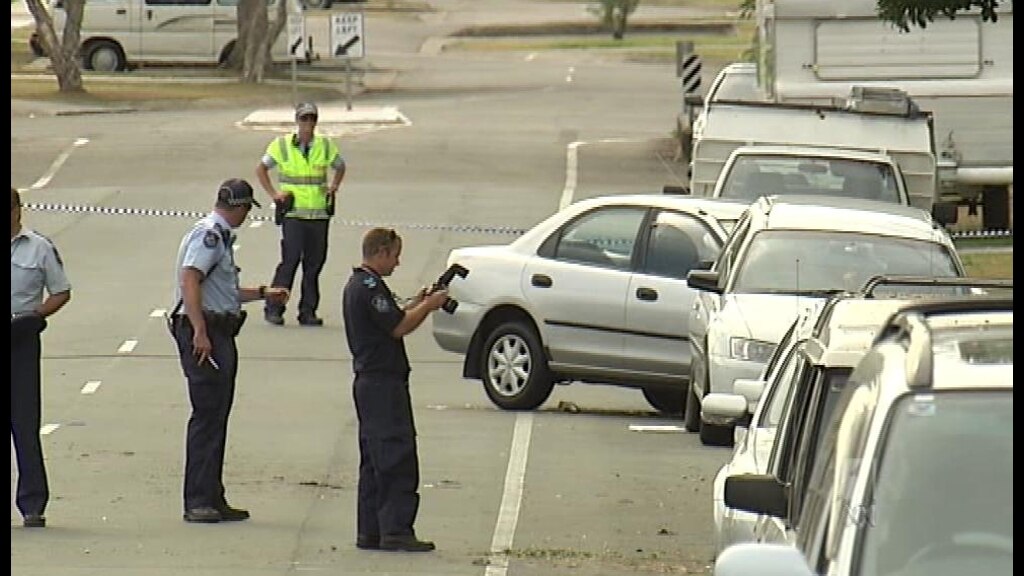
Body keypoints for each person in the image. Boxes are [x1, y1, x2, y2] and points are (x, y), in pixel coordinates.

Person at [169, 178, 289, 523]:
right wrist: (200, 331)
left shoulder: (219, 237)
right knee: (207, 413)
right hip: (204, 330)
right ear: (238, 207)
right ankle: (198, 500)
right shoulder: (209, 235)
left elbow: (224, 291)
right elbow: (190, 278)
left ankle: (212, 494)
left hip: (216, 327)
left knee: (217, 412)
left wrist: (264, 293)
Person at [342, 228, 449, 552]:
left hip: (370, 382)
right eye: (395, 255)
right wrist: (429, 307)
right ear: (381, 252)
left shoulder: (360, 285)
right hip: (382, 384)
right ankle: (396, 529)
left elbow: (395, 315)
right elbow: (398, 327)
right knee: (395, 455)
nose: (398, 262)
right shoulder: (370, 287)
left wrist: (418, 301)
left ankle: (371, 530)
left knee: (374, 459)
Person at [10, 187, 72, 529]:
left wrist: (37, 315)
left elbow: (61, 291)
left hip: (21, 339)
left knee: (24, 423)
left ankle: (33, 503)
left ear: (19, 210)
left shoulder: (39, 247)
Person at [257, 101, 346, 327]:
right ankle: (274, 307)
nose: (308, 124)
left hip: (318, 217)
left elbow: (340, 166)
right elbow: (261, 168)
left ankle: (308, 311)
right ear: (297, 121)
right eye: (304, 119)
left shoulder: (325, 145)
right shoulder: (282, 145)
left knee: (314, 266)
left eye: (312, 119)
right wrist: (274, 194)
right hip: (294, 214)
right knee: (290, 261)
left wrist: (334, 187)